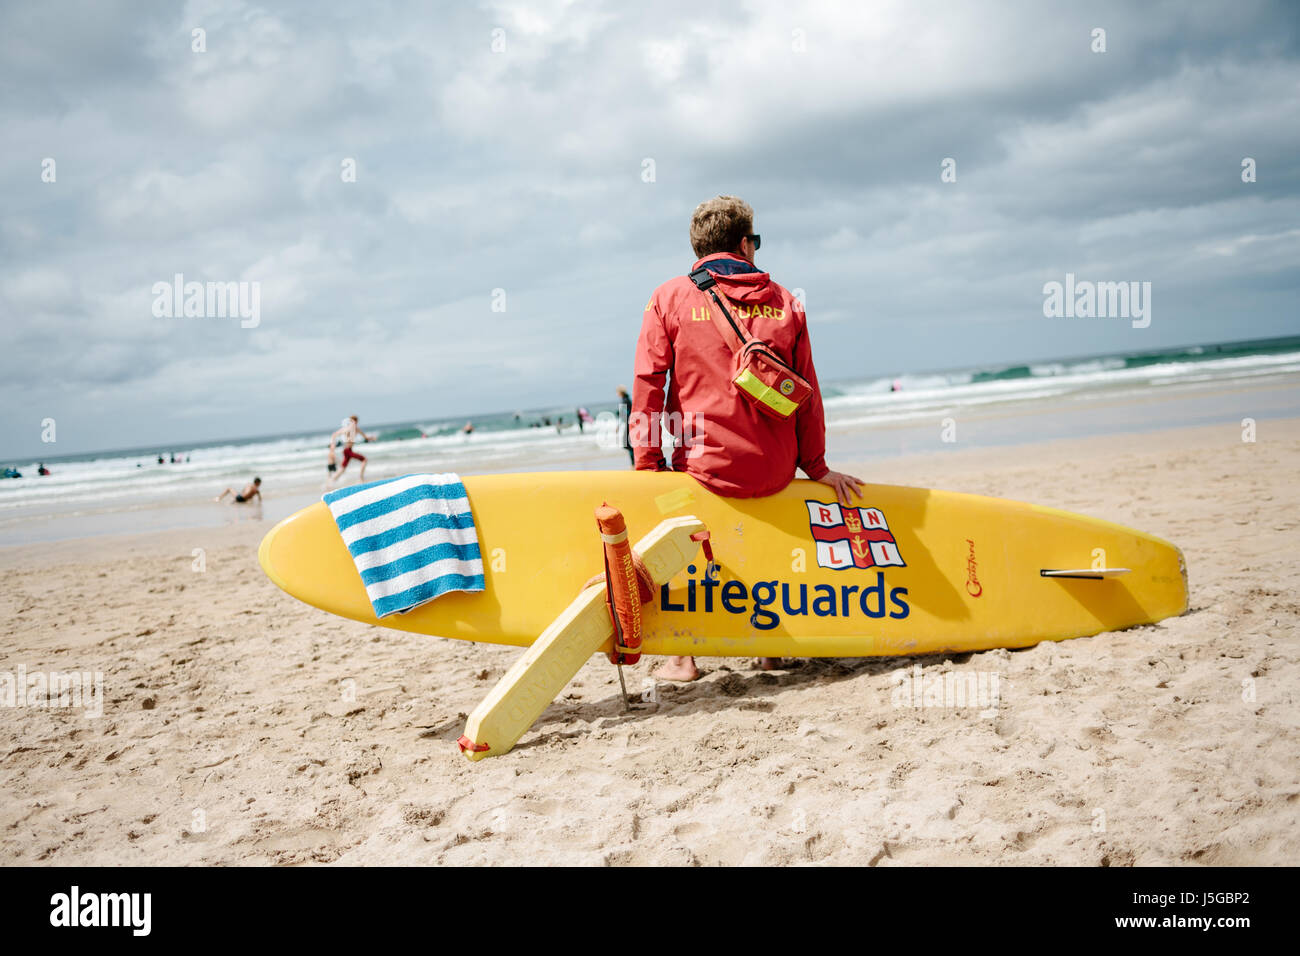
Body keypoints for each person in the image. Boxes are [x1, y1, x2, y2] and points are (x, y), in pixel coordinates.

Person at [633, 195, 863, 682]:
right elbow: (809, 394)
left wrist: (647, 468)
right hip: (775, 469)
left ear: (699, 250)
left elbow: (648, 388)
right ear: (744, 244)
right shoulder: (785, 302)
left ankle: (682, 657)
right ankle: (770, 648)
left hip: (703, 469)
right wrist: (817, 467)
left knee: (678, 517)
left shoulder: (668, 298)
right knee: (763, 520)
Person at [329, 415, 373, 482]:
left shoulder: (355, 429)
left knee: (343, 469)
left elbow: (365, 437)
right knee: (364, 460)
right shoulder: (348, 428)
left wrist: (371, 438)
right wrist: (332, 445)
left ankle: (331, 481)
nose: (354, 423)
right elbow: (334, 435)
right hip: (347, 451)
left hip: (348, 451)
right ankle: (361, 478)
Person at [616, 386, 634, 466]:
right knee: (627, 443)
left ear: (620, 392)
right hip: (630, 422)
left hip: (628, 422)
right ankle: (634, 461)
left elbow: (624, 414)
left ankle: (634, 461)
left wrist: (618, 425)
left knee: (626, 444)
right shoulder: (628, 399)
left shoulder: (624, 400)